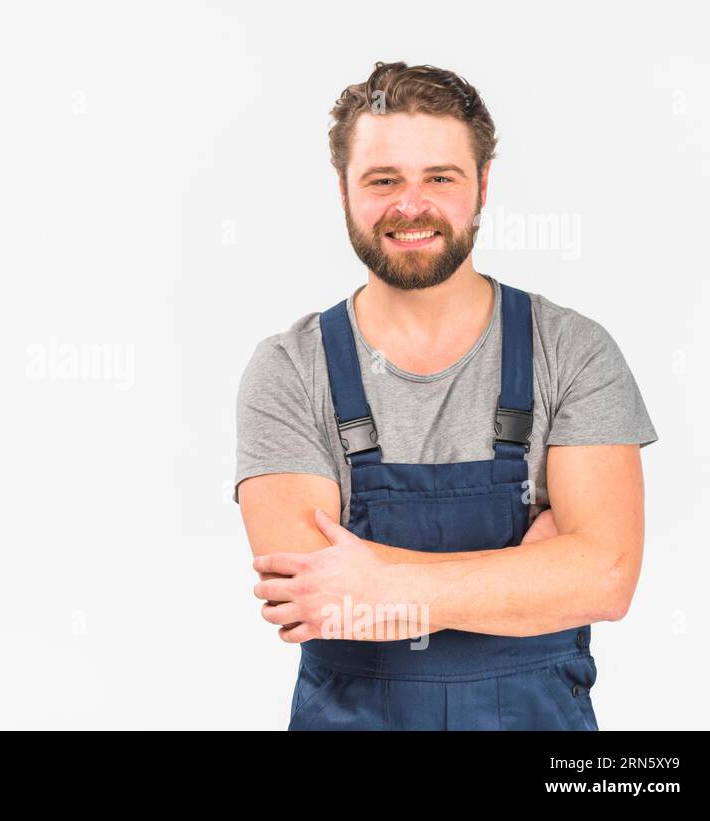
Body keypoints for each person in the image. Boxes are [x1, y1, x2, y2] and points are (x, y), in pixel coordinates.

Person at [233, 61, 658, 730]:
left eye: (440, 177)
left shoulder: (572, 351)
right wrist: (532, 572)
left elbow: (605, 578)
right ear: (342, 190)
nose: (411, 204)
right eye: (383, 180)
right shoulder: (290, 368)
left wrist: (379, 580)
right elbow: (313, 595)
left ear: (482, 185)